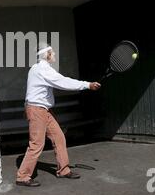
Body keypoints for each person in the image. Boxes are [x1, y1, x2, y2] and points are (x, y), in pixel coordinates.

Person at [16, 43, 101, 187]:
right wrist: (87, 85)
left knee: (59, 137)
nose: (54, 54)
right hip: (37, 110)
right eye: (52, 52)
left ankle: (63, 170)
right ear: (47, 55)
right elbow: (63, 82)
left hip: (44, 110)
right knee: (37, 144)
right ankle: (23, 176)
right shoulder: (43, 69)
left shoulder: (37, 68)